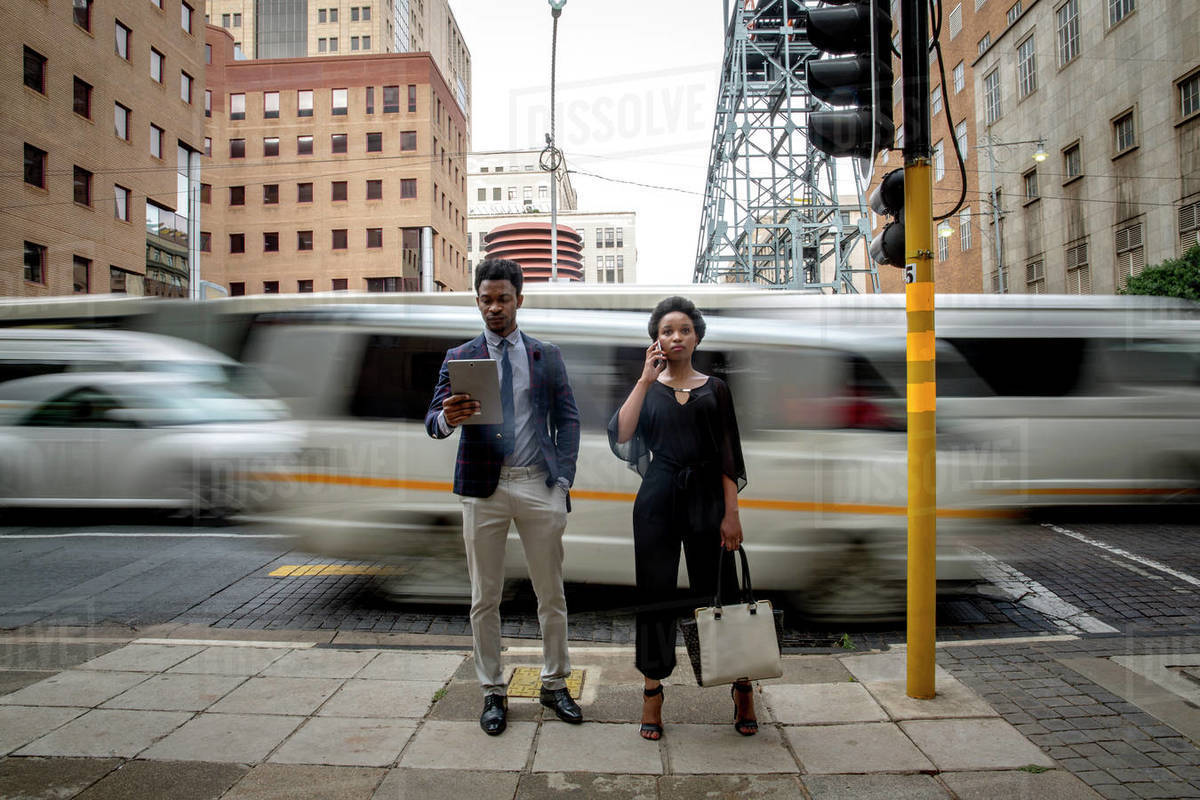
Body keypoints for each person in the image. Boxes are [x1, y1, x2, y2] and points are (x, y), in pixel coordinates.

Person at [425, 258, 583, 736]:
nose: (493, 307)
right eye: (485, 299)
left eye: (502, 298)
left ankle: (554, 684)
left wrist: (564, 480)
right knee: (484, 597)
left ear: (519, 300)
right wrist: (449, 417)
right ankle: (492, 691)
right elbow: (432, 423)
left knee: (550, 594)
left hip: (538, 483)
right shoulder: (460, 356)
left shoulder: (545, 355)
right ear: (476, 300)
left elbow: (569, 418)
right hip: (483, 490)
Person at [608, 296, 757, 740]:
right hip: (657, 499)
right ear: (656, 339)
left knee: (722, 592)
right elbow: (621, 434)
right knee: (654, 596)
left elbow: (730, 455)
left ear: (697, 336)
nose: (676, 337)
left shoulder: (717, 389)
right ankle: (652, 692)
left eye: (684, 330)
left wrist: (732, 514)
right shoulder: (648, 388)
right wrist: (642, 379)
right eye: (667, 331)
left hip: (708, 501)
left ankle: (742, 686)